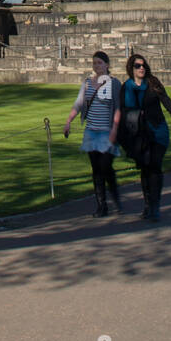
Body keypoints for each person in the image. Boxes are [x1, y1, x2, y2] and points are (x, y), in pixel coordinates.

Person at [115, 52, 171, 223]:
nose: (141, 68)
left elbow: (166, 101)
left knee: (154, 166)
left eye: (143, 65)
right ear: (131, 68)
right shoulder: (126, 87)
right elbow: (121, 110)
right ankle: (147, 204)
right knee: (145, 168)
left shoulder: (153, 82)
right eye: (137, 66)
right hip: (138, 135)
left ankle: (155, 206)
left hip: (158, 131)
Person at [64, 51, 124, 217]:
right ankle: (101, 205)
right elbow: (78, 104)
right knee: (96, 169)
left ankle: (116, 198)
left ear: (107, 65)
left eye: (100, 63)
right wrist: (69, 121)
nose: (97, 66)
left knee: (105, 167)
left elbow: (119, 108)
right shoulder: (88, 83)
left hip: (107, 132)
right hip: (91, 132)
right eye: (95, 63)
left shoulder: (114, 83)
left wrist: (115, 129)